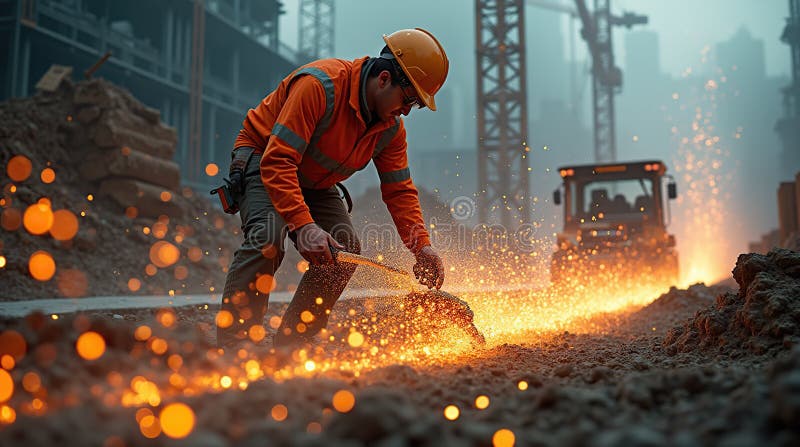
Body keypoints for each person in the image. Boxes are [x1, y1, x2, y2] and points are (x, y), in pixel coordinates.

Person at [217, 28, 449, 349]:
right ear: (384, 79)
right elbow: (279, 161)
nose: (408, 110)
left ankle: (290, 346)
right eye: (408, 99)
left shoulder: (390, 129)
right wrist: (304, 225)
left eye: (416, 106)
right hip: (265, 155)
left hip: (314, 178)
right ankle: (233, 346)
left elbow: (400, 191)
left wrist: (421, 247)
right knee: (267, 237)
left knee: (345, 251)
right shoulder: (319, 87)